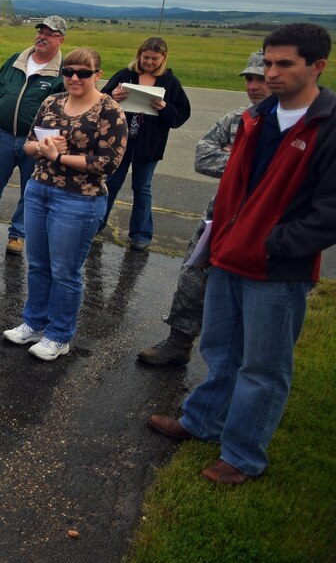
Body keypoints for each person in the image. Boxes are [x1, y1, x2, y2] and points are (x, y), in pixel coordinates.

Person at [148, 24, 335, 485]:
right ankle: (202, 421)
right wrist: (222, 241)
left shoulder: (326, 126)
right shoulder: (256, 118)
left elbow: (329, 211)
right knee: (219, 348)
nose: (270, 74)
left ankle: (243, 455)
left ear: (317, 66)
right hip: (227, 255)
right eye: (267, 63)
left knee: (263, 367)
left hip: (275, 270)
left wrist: (278, 245)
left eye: (283, 64)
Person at [138, 52, 269, 366]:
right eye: (249, 78)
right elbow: (202, 157)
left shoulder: (294, 127)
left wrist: (237, 158)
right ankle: (177, 343)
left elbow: (279, 172)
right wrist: (241, 161)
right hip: (221, 213)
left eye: (260, 78)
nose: (253, 85)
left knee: (248, 293)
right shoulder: (238, 118)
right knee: (193, 277)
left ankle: (236, 362)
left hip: (262, 220)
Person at [3, 48, 127, 361]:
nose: (74, 78)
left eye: (83, 73)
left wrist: (58, 156)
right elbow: (29, 142)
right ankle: (34, 322)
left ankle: (59, 335)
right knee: (39, 264)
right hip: (39, 190)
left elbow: (107, 163)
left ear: (98, 75)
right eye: (68, 71)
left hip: (78, 199)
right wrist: (40, 147)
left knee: (65, 271)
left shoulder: (109, 110)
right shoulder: (52, 101)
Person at [0, 16, 67, 257]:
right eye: (41, 31)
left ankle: (18, 235)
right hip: (4, 136)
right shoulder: (16, 61)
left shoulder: (62, 72)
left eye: (50, 34)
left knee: (29, 191)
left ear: (60, 39)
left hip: (38, 143)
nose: (42, 36)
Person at [99, 37, 192, 249]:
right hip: (119, 143)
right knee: (110, 183)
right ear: (139, 55)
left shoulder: (170, 82)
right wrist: (112, 95)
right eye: (146, 57)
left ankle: (141, 234)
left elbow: (181, 115)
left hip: (149, 145)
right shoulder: (125, 75)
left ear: (164, 58)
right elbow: (99, 101)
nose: (149, 62)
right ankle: (96, 223)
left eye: (154, 59)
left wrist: (164, 108)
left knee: (142, 187)